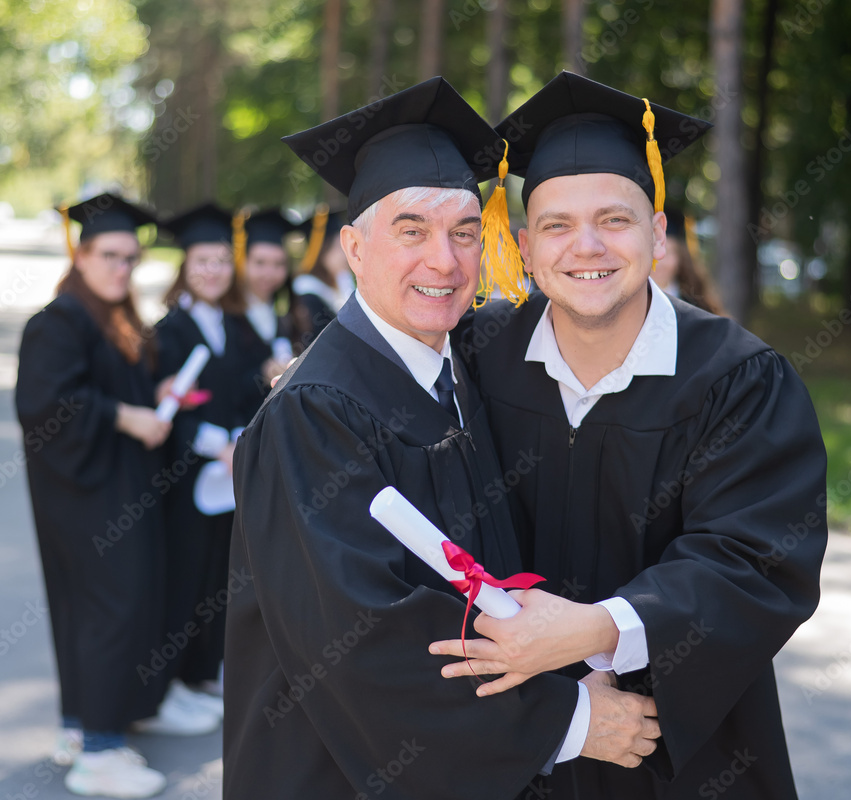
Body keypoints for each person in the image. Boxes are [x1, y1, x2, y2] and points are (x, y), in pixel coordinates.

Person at [223, 77, 658, 800]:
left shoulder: (460, 369)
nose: (446, 261)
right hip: (335, 769)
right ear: (354, 248)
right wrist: (571, 720)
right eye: (412, 231)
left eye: (464, 232)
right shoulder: (316, 412)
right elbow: (367, 643)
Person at [433, 72, 828, 799]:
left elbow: (755, 561)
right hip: (519, 740)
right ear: (523, 245)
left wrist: (594, 630)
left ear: (657, 233)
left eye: (614, 219)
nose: (587, 246)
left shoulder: (739, 379)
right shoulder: (472, 358)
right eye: (556, 225)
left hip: (685, 749)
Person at [16, 193, 173, 798]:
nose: (121, 268)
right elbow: (45, 405)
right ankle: (101, 754)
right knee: (111, 607)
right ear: (79, 255)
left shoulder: (114, 319)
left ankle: (81, 727)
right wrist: (124, 418)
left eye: (131, 258)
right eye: (109, 255)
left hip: (113, 488)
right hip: (84, 494)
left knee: (94, 610)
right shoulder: (59, 321)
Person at [152, 202, 270, 724]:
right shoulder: (169, 330)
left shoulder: (240, 325)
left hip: (232, 474)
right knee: (186, 574)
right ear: (184, 266)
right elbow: (168, 410)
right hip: (188, 475)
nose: (213, 270)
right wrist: (212, 443)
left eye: (222, 260)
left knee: (225, 573)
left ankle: (207, 669)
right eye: (202, 260)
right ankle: (175, 676)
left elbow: (251, 391)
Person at [239, 208, 317, 386]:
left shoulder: (293, 312)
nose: (269, 273)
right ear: (243, 261)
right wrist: (262, 373)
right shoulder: (228, 315)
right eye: (260, 262)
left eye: (278, 264)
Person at [292, 205, 355, 333]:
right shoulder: (307, 294)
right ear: (322, 251)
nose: (345, 253)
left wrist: (343, 277)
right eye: (339, 247)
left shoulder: (338, 279)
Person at [652, 206, 726, 315]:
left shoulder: (698, 306)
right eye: (652, 251)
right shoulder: (627, 305)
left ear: (680, 256)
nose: (659, 261)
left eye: (668, 252)